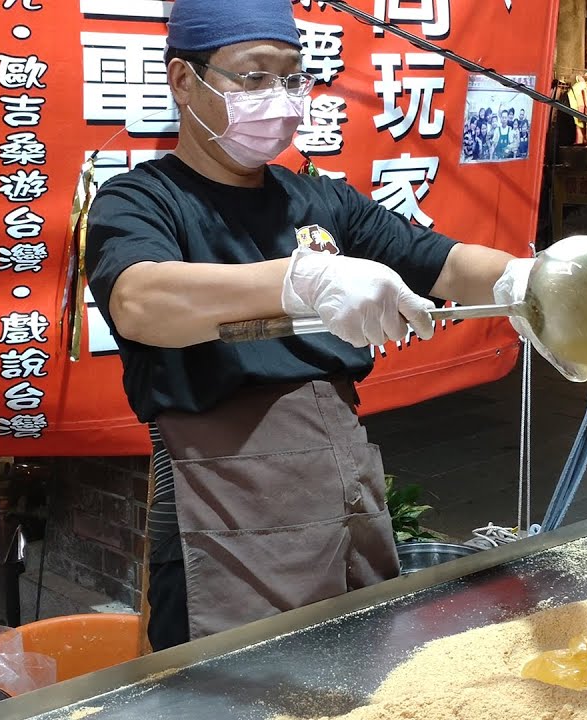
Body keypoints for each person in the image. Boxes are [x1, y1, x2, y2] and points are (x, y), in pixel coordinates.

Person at [83, 0, 550, 652]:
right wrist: (301, 280)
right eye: (253, 76)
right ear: (183, 80)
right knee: (241, 689)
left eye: (291, 77)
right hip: (222, 503)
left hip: (345, 487)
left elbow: (443, 262)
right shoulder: (142, 200)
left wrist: (528, 284)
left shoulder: (318, 200)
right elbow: (139, 301)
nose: (277, 98)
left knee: (361, 665)